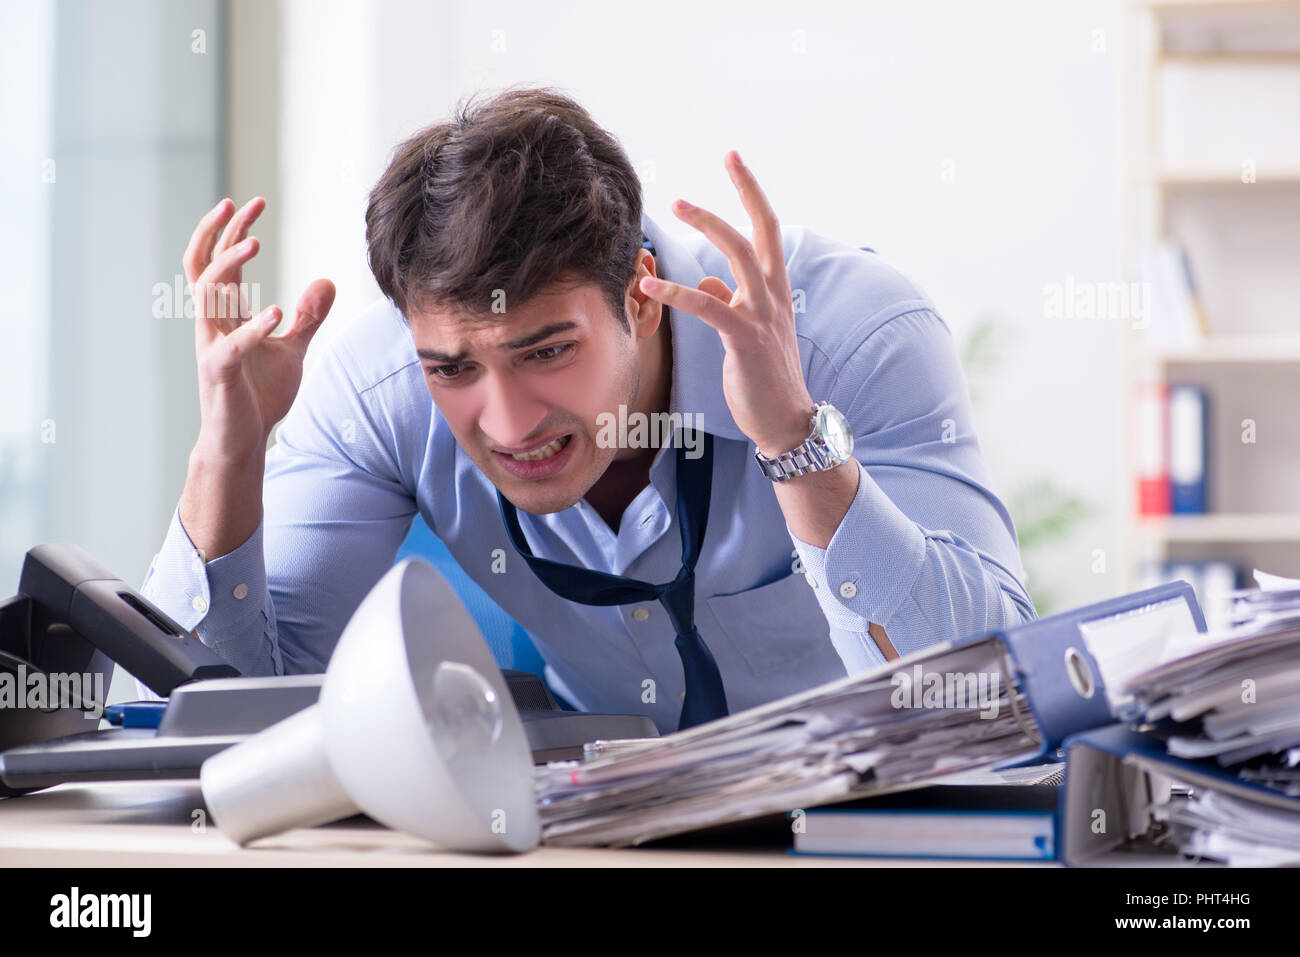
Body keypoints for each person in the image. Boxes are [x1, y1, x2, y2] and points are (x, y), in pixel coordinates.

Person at [140, 85, 1036, 734]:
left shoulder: (853, 334)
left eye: (548, 351)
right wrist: (228, 456)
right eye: (453, 368)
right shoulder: (375, 385)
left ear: (641, 299)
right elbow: (222, 716)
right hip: (589, 832)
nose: (508, 423)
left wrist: (795, 442)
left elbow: (997, 693)